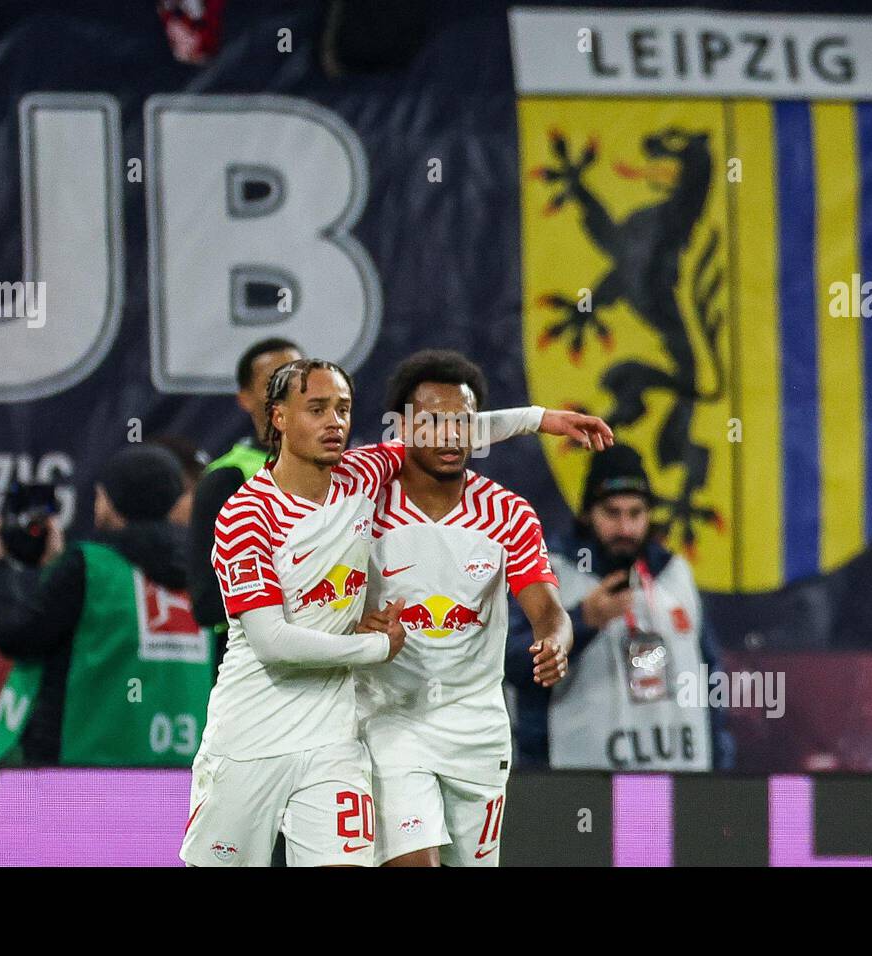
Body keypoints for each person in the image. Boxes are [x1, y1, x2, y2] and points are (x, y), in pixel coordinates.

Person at [179, 358, 611, 867]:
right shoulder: (245, 515)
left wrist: (542, 418)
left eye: (342, 409)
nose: (334, 422)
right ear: (277, 417)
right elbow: (272, 644)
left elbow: (450, 430)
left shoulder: (363, 477)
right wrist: (375, 646)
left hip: (336, 736)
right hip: (254, 733)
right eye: (317, 409)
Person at [356, 350, 572, 867]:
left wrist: (555, 644)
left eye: (463, 423)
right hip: (390, 720)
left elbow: (547, 609)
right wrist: (350, 626)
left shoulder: (508, 512)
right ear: (403, 427)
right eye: (433, 422)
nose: (451, 437)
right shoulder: (364, 502)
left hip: (477, 729)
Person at [506, 443, 734, 771]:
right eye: (612, 513)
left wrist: (720, 766)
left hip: (678, 779)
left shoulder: (674, 574)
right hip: (581, 786)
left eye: (636, 513)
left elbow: (709, 673)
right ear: (587, 513)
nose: (625, 528)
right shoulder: (552, 572)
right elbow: (512, 663)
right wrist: (582, 621)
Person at [0, 444, 213, 766]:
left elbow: (18, 635)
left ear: (112, 502)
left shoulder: (89, 567)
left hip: (84, 776)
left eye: (100, 494)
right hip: (181, 775)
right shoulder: (205, 570)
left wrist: (0, 568)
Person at [186, 338, 302, 641]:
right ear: (245, 398)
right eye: (272, 382)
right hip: (251, 666)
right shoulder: (225, 480)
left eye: (295, 379)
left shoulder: (340, 473)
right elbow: (207, 602)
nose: (286, 390)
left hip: (333, 668)